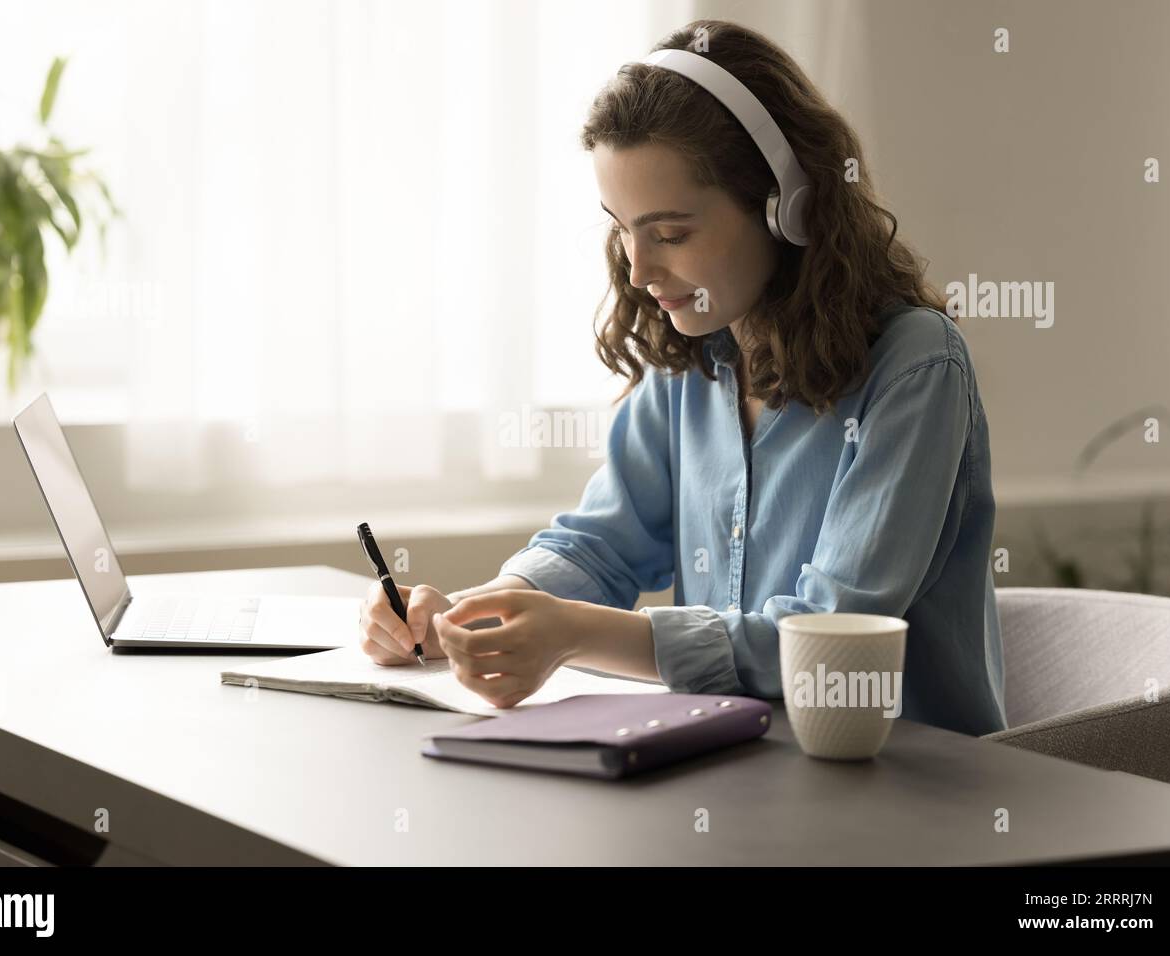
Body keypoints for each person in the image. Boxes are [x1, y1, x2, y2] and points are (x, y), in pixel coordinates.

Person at [357, 18, 1006, 737]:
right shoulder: (690, 357)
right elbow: (599, 544)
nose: (638, 270)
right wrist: (484, 611)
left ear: (788, 210)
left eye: (669, 235)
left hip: (915, 799)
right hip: (739, 780)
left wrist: (573, 631)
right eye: (622, 228)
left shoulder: (916, 367)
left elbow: (828, 632)